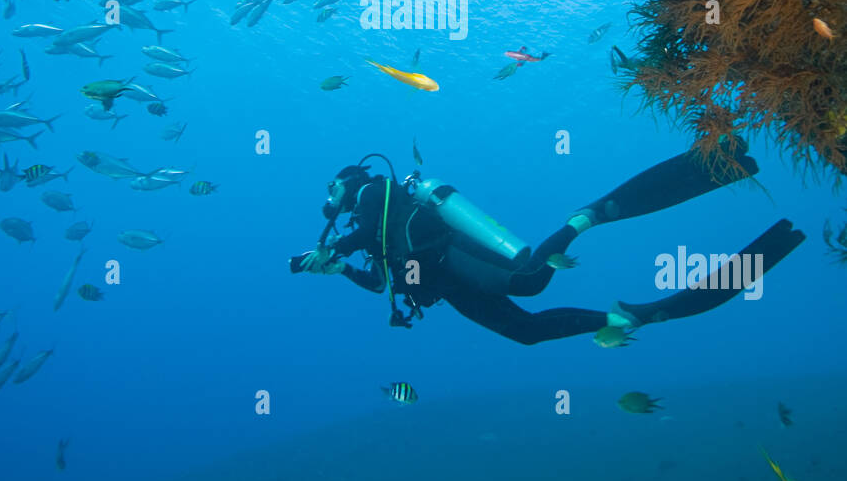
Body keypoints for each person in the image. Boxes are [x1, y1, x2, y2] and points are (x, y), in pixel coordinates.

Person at [289, 144, 805, 344]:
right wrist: (341, 271)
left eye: (330, 188)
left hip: (449, 256)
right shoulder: (361, 222)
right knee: (525, 333)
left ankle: (585, 218)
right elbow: (381, 280)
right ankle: (620, 318)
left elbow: (377, 225)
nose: (329, 199)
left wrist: (333, 248)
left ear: (347, 181)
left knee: (533, 280)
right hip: (444, 284)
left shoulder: (374, 190)